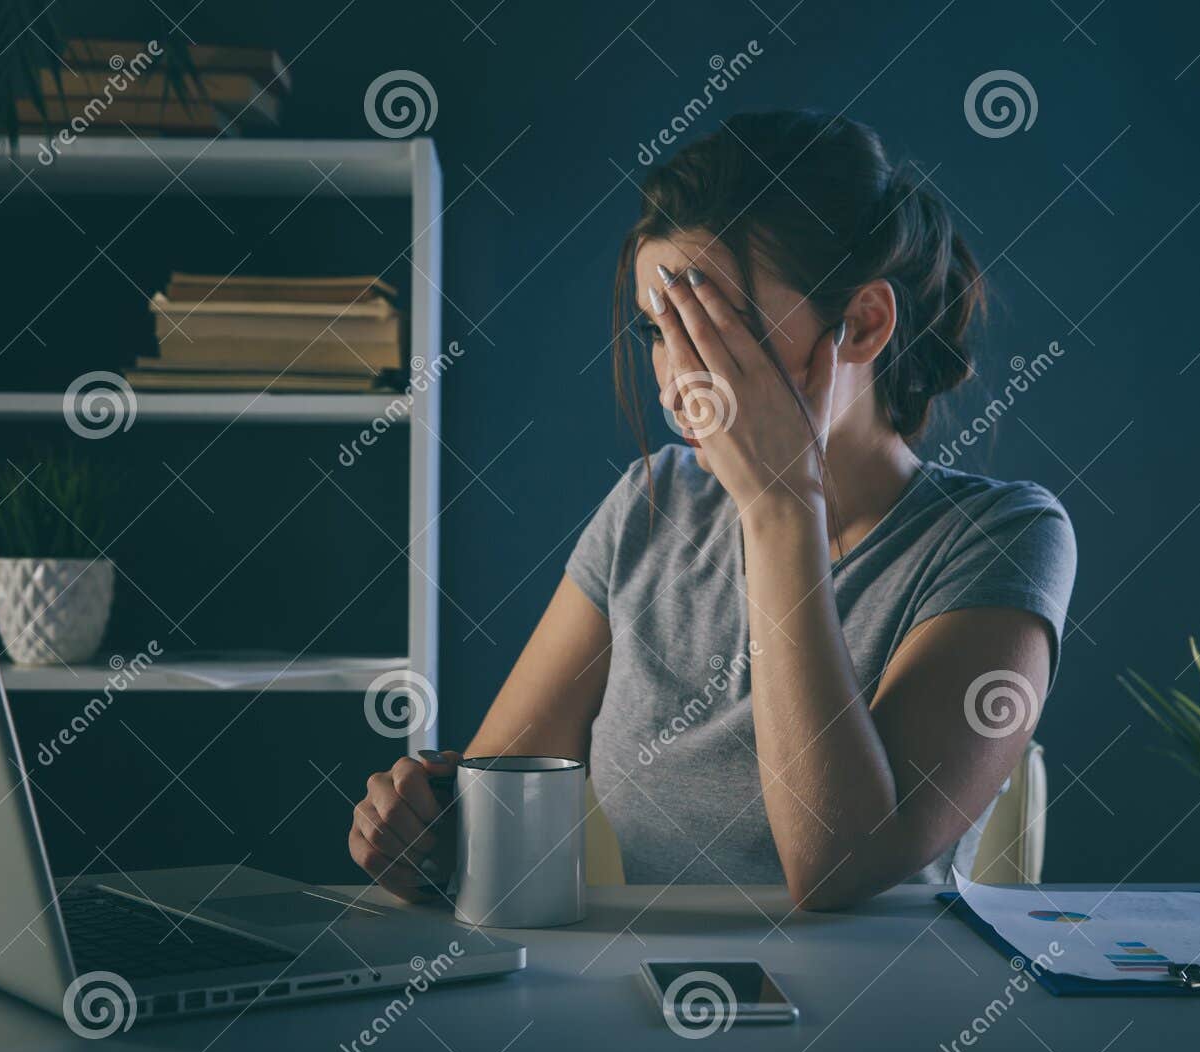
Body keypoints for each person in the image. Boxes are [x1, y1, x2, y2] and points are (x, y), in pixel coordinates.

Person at [349, 110, 1077, 910]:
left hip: (881, 988)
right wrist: (423, 835)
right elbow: (490, 823)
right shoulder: (650, 507)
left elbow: (834, 865)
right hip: (644, 984)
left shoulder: (1003, 538)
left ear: (864, 323)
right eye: (659, 331)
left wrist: (781, 506)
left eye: (716, 329)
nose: (677, 385)